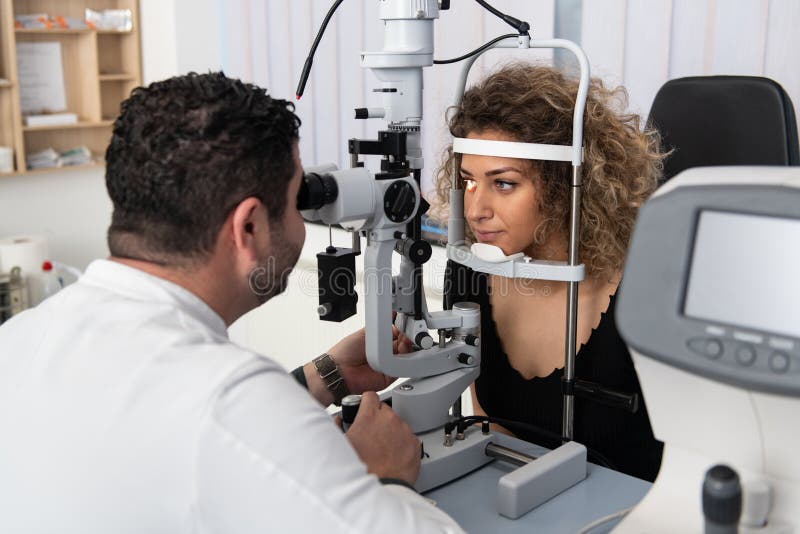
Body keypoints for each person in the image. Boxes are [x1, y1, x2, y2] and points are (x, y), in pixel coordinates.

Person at [0, 72, 462, 533]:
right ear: (249, 228)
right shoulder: (234, 401)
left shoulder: (19, 336)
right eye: (297, 197)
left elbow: (173, 437)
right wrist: (384, 478)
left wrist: (321, 376)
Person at [433, 63, 665, 481]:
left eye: (503, 183)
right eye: (468, 181)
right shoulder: (469, 268)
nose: (475, 210)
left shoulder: (646, 283)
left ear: (563, 184)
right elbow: (488, 423)